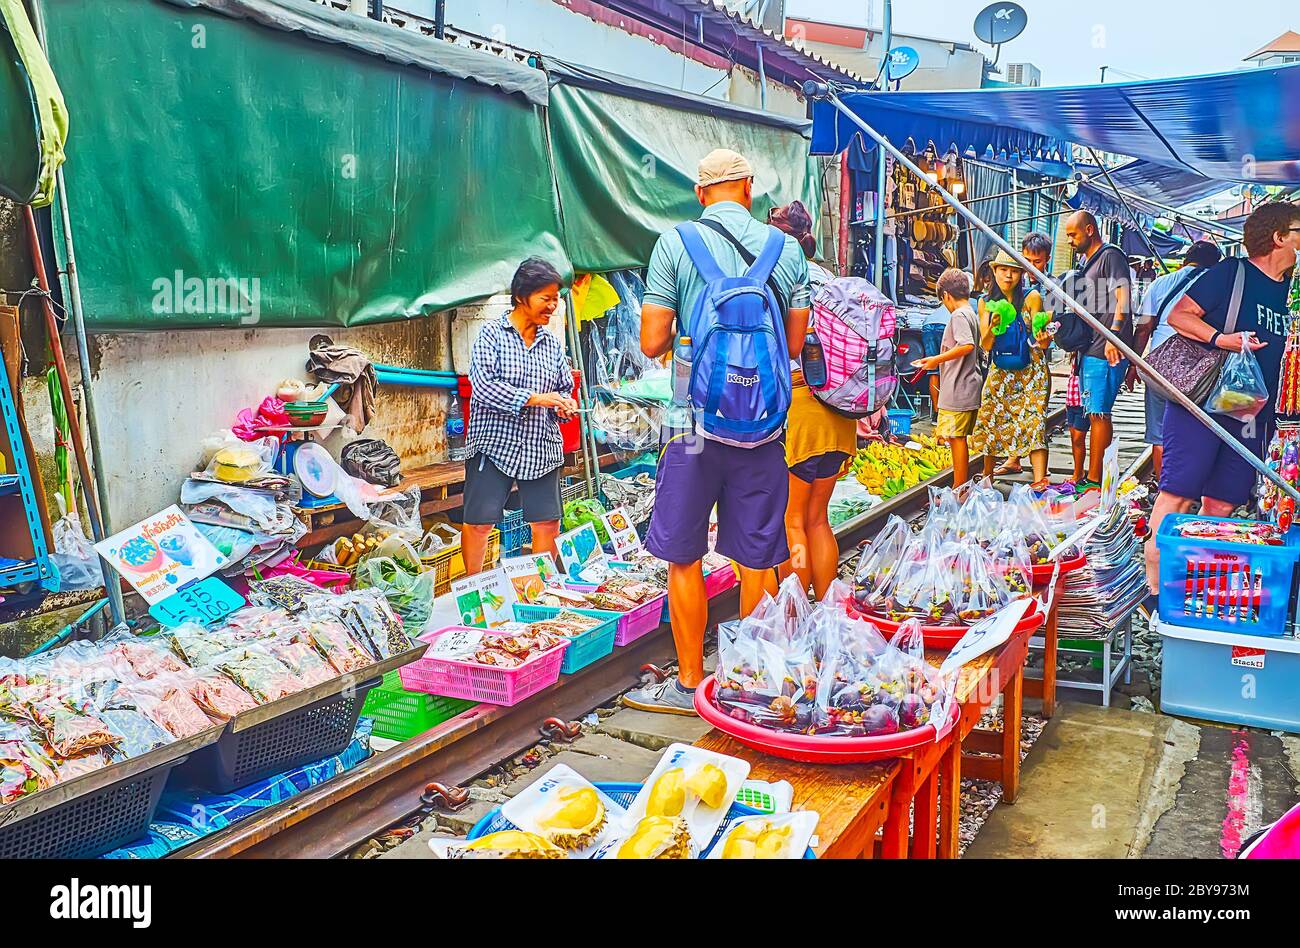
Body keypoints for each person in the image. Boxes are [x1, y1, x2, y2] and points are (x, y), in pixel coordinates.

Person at [624, 148, 810, 715]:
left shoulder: (675, 244)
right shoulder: (787, 249)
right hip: (763, 428)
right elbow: (796, 347)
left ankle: (687, 681)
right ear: (749, 189)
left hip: (692, 426)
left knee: (684, 556)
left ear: (701, 193)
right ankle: (750, 681)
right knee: (756, 557)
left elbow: (652, 342)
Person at [1144, 204, 1300, 594]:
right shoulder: (1233, 273)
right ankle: (1155, 590)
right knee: (1177, 496)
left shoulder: (1292, 292)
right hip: (1205, 407)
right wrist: (1223, 340)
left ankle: (1194, 589)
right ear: (1279, 236)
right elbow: (1181, 316)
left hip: (1254, 416)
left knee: (1223, 506)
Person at [460, 258, 577, 574]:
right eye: (546, 298)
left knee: (547, 522)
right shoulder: (492, 335)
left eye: (556, 298)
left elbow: (564, 388)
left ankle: (540, 592)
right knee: (479, 523)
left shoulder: (551, 344)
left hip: (541, 446)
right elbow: (483, 387)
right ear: (522, 296)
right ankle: (476, 591)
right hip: (496, 445)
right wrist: (536, 398)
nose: (553, 305)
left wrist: (563, 405)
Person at [765, 201, 857, 601]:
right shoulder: (829, 278)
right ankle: (825, 608)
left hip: (803, 409)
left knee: (792, 520)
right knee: (819, 519)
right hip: (841, 410)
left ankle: (796, 612)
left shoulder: (780, 279)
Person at [1130, 241, 1224, 480]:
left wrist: (1133, 364)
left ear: (1185, 261)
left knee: (1160, 435)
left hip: (1161, 367)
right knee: (1200, 430)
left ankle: (1165, 488)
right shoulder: (1217, 285)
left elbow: (1143, 329)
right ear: (1216, 265)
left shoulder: (1161, 283)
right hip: (1204, 369)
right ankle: (1193, 489)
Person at [1063, 210, 1133, 491]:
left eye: (1073, 234)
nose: (1070, 240)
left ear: (1090, 230)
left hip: (1105, 349)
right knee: (1096, 412)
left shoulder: (1110, 256)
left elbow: (1123, 297)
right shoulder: (1087, 262)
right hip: (1090, 348)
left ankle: (1094, 480)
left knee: (1099, 413)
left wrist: (1114, 338)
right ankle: (1100, 475)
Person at [971, 249, 1053, 487]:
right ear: (994, 271)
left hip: (1032, 370)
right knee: (992, 418)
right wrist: (992, 326)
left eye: (1014, 271)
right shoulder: (985, 303)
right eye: (1004, 270)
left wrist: (1044, 335)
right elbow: (985, 345)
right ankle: (987, 478)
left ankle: (1039, 481)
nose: (1008, 276)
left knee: (1034, 421)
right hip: (1000, 370)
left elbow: (1042, 341)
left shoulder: (1031, 297)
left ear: (1022, 274)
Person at [915, 268, 981, 487]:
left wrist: (936, 359)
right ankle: (960, 484)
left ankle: (959, 486)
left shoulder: (960, 315)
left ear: (946, 296)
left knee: (956, 438)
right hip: (965, 384)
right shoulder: (971, 312)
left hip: (959, 387)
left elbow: (966, 345)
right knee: (956, 437)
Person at [1001, 233, 1056, 478]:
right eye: (1026, 260)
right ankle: (1013, 459)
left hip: (1036, 361)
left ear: (1048, 260)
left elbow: (1053, 325)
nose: (1031, 267)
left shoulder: (1053, 288)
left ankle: (1039, 477)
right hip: (1012, 360)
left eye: (1037, 261)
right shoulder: (1015, 283)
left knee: (1034, 417)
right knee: (1012, 412)